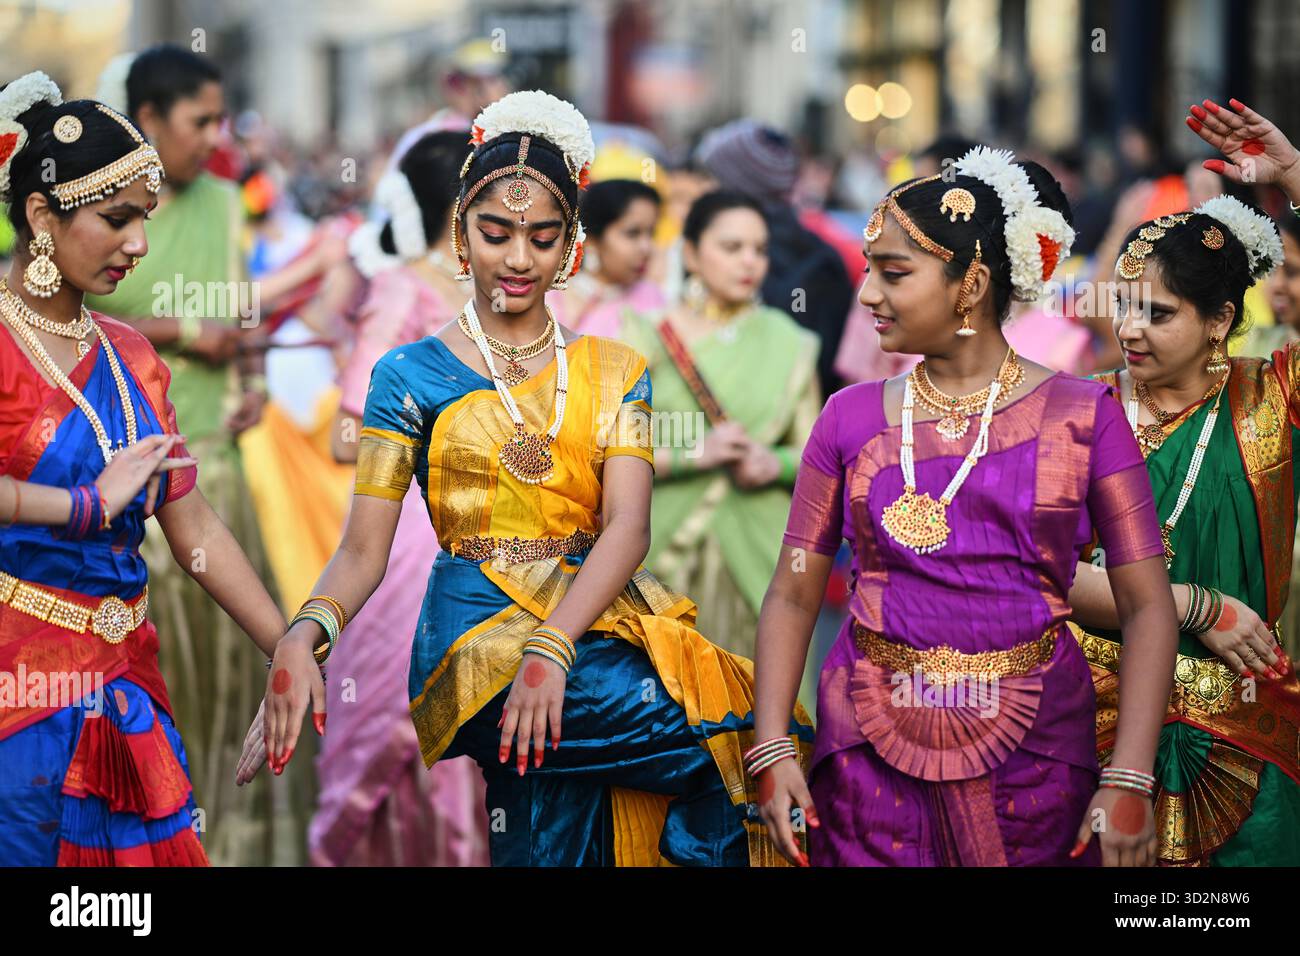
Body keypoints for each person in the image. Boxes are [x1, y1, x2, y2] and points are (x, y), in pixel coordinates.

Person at [252, 90, 813, 866]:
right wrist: (303, 635)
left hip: (585, 633)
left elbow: (628, 528)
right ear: (460, 234)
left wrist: (553, 649)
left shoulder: (617, 371)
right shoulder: (406, 375)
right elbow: (360, 552)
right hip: (473, 651)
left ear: (570, 247)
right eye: (495, 232)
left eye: (542, 238)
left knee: (560, 833)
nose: (518, 259)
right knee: (756, 738)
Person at [751, 147, 1181, 866]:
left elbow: (1147, 605)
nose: (867, 297)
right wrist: (770, 747)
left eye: (893, 274)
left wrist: (1130, 776)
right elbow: (795, 592)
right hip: (866, 750)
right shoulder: (848, 417)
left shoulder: (1086, 415)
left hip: (1038, 757)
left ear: (970, 284)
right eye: (868, 272)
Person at [0, 73, 285, 865]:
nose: (139, 245)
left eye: (144, 220)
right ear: (40, 216)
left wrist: (289, 645)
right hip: (19, 690)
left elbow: (190, 524)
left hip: (125, 682)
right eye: (116, 219)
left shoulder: (130, 357)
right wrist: (85, 507)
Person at [86, 44, 339, 864]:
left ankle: (236, 848)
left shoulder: (227, 198)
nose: (213, 135)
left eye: (218, 117)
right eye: (198, 120)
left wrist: (250, 372)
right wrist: (186, 333)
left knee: (238, 677)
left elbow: (236, 311)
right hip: (114, 486)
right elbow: (49, 312)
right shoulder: (103, 200)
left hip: (211, 478)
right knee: (162, 688)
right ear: (148, 121)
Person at [242, 130, 492, 867]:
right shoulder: (405, 291)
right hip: (416, 538)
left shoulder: (512, 299)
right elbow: (351, 436)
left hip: (510, 535)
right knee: (408, 722)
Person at [1069, 97, 1300, 866]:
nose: (1129, 327)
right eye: (1124, 305)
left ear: (1219, 319)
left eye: (1158, 313)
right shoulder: (1073, 411)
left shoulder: (1271, 401)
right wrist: (1196, 606)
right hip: (1085, 739)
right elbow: (1035, 572)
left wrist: (1294, 177)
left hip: (1243, 735)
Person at [619, 190, 820, 659]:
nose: (749, 262)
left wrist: (774, 463)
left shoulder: (788, 341)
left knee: (758, 698)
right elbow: (607, 443)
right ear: (690, 253)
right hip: (657, 539)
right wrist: (696, 451)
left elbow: (814, 450)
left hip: (759, 544)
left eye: (759, 249)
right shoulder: (643, 334)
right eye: (731, 248)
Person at [696, 120, 854, 399]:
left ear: (736, 184)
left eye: (711, 178)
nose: (702, 190)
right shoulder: (820, 254)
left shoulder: (814, 267)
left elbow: (816, 371)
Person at [564, 179, 664, 338]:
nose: (647, 247)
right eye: (632, 233)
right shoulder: (554, 298)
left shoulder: (653, 299)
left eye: (651, 233)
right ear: (592, 240)